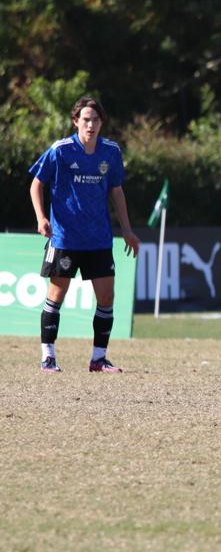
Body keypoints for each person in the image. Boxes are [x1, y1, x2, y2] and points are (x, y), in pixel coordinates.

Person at [29, 96, 140, 373]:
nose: (91, 125)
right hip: (65, 237)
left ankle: (99, 359)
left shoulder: (111, 152)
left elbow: (116, 191)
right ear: (75, 121)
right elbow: (36, 184)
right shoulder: (61, 150)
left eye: (95, 120)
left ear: (102, 123)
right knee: (56, 296)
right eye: (86, 120)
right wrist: (41, 218)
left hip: (98, 238)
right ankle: (48, 357)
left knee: (107, 297)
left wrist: (127, 229)